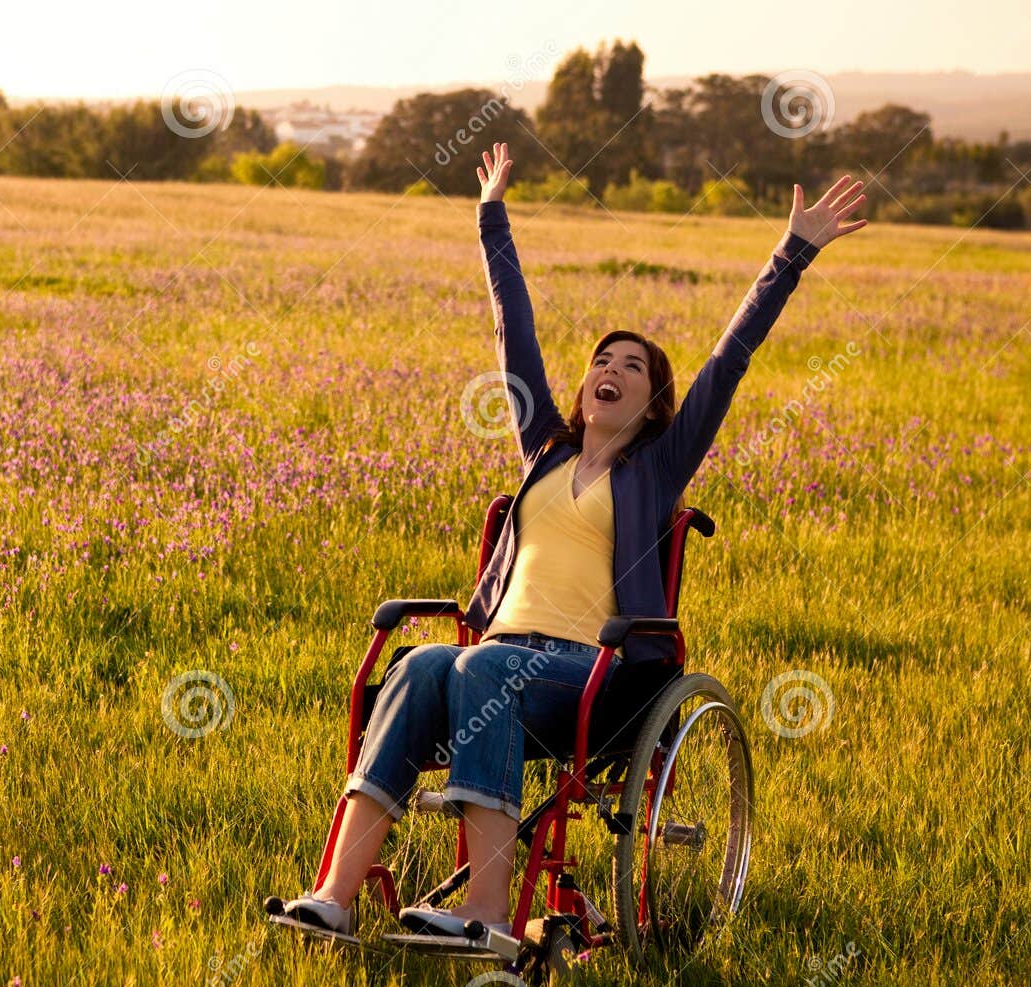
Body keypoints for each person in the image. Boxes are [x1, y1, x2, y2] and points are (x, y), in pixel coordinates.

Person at [276, 142, 868, 939]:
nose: (609, 369)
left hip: (595, 675)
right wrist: (492, 215)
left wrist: (791, 252)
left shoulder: (656, 470)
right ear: (585, 386)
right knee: (418, 666)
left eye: (632, 365)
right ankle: (335, 899)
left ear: (652, 402)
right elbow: (509, 326)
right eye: (601, 360)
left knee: (485, 663)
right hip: (503, 655)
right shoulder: (545, 453)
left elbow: (729, 362)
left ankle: (484, 916)